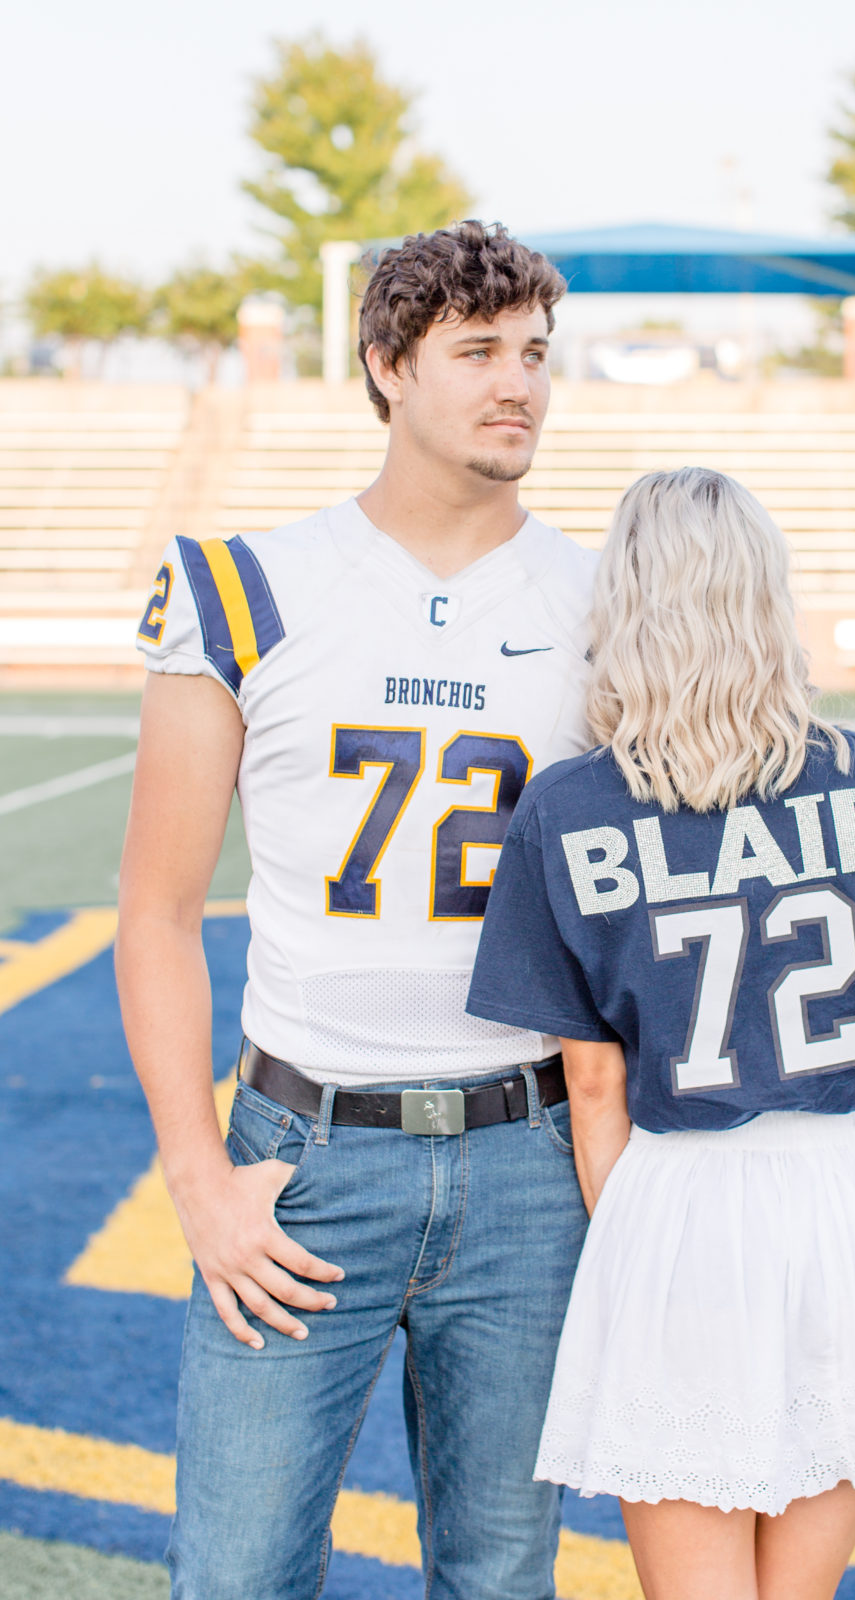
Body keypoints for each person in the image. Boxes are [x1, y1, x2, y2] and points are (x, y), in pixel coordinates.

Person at [115, 221, 596, 1600]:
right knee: (241, 1572)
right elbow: (157, 913)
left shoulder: (597, 596)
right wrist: (198, 1178)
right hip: (303, 1155)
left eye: (533, 354)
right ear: (387, 365)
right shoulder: (247, 585)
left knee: (501, 1577)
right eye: (475, 351)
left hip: (528, 1155)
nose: (517, 383)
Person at [467, 466, 855, 1600]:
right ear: (765, 599)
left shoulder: (568, 805)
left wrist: (633, 1243)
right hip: (849, 1198)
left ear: (624, 609)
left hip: (680, 1202)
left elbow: (590, 1087)